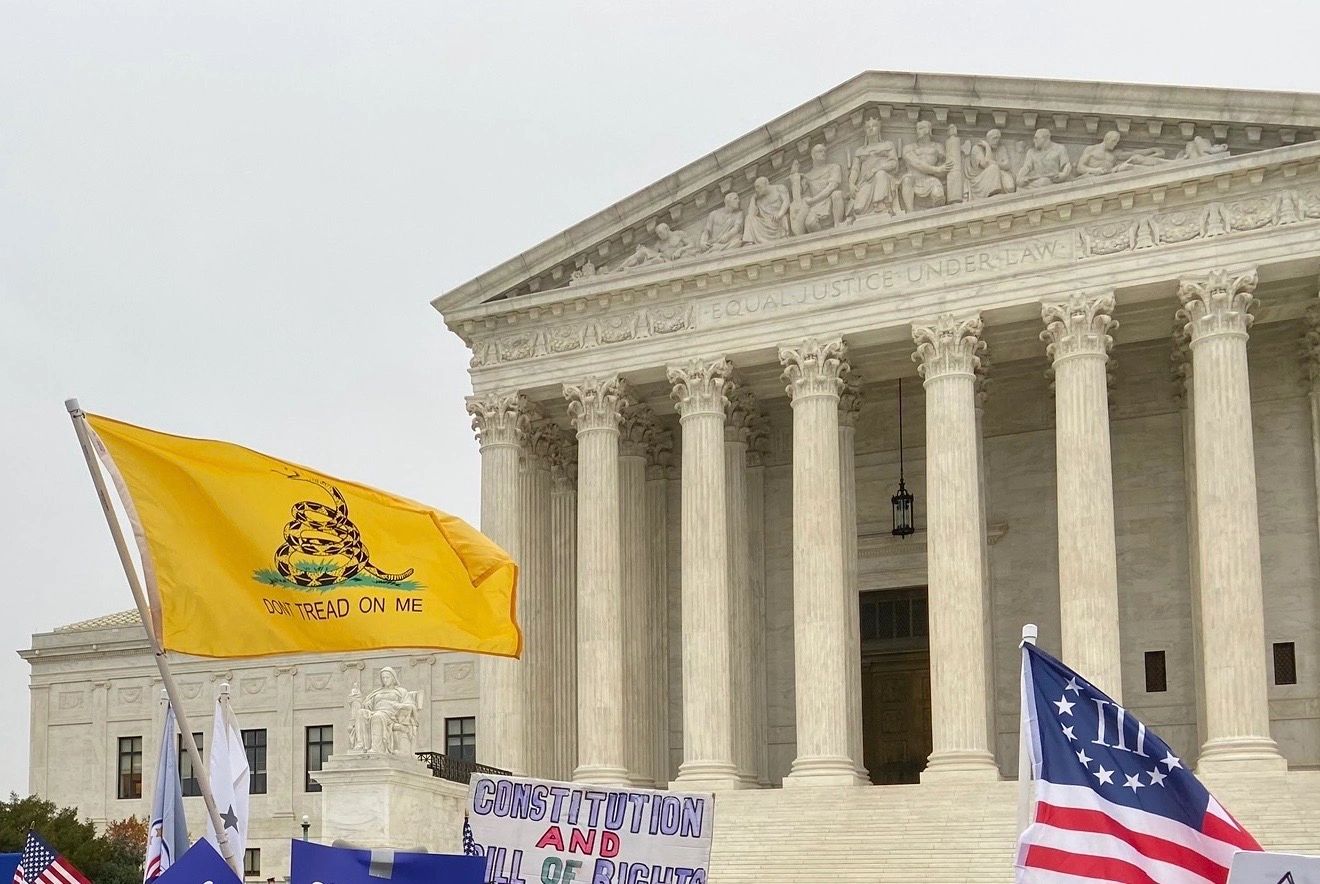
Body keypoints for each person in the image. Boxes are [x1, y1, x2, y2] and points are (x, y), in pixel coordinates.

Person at [847, 116, 901, 221]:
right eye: (868, 127)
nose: (871, 129)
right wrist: (851, 184)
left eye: (874, 126)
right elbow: (855, 169)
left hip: (884, 178)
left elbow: (894, 163)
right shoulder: (860, 151)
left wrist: (876, 169)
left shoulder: (887, 145)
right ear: (865, 131)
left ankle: (880, 204)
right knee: (858, 208)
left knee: (880, 174)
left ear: (879, 128)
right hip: (865, 182)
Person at [788, 144, 845, 234]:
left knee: (837, 194)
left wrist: (813, 200)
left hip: (829, 201)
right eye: (820, 151)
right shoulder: (808, 176)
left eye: (824, 151)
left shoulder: (834, 167)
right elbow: (797, 196)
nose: (823, 153)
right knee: (810, 223)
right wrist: (794, 175)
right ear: (813, 155)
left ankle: (838, 226)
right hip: (816, 206)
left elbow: (832, 187)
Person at [900, 120, 953, 210]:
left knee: (938, 193)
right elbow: (916, 163)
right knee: (907, 180)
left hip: (930, 179)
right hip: (913, 179)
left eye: (921, 128)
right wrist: (937, 169)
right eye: (917, 129)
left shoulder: (938, 147)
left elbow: (945, 168)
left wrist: (941, 171)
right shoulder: (909, 148)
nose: (918, 131)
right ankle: (910, 213)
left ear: (928, 130)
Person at [965, 128, 1016, 199]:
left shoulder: (1001, 148)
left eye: (998, 138)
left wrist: (994, 163)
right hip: (979, 180)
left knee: (1010, 186)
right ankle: (994, 192)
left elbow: (1007, 165)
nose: (997, 141)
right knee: (993, 168)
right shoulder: (977, 148)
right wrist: (987, 147)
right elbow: (985, 164)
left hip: (999, 173)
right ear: (988, 139)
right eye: (994, 138)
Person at [742, 176, 791, 245]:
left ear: (765, 184)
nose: (756, 190)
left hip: (778, 219)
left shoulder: (779, 188)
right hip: (765, 222)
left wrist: (779, 214)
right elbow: (751, 214)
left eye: (758, 187)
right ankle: (749, 243)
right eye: (755, 188)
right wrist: (753, 199)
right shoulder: (759, 199)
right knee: (749, 218)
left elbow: (786, 202)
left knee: (783, 219)